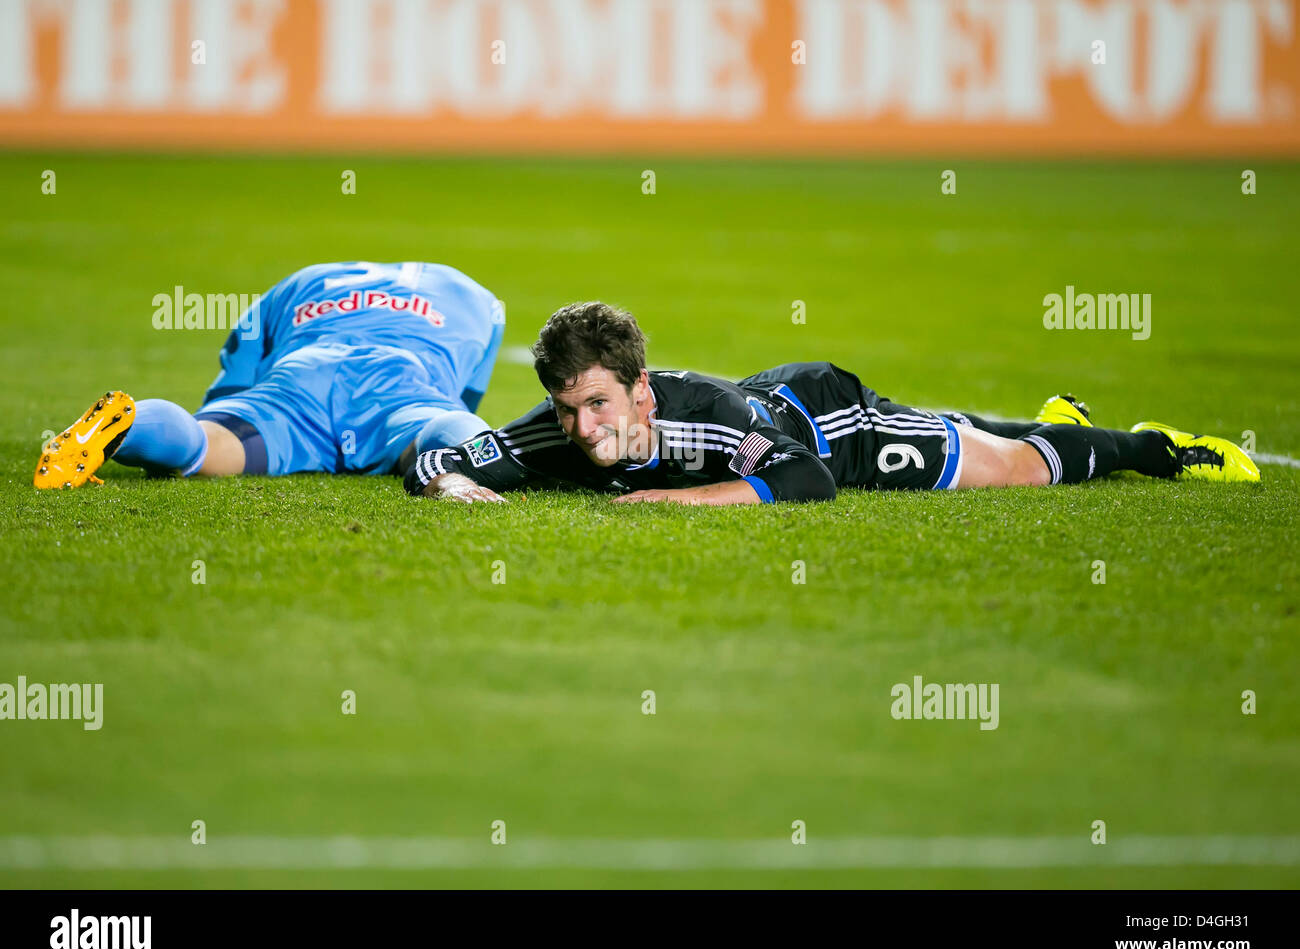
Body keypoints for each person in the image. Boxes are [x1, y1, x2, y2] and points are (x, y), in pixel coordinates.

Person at [404, 301, 1259, 505]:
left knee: (1015, 471)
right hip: (787, 419)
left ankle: (1154, 447)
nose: (585, 433)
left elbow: (808, 479)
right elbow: (434, 458)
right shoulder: (562, 433)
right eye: (565, 410)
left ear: (641, 391)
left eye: (598, 405)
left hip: (832, 422)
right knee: (982, 437)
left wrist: (671, 500)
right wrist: (456, 488)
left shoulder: (704, 415)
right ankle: (1057, 420)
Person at [35, 261, 505, 489]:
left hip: (299, 381)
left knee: (203, 442)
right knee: (444, 426)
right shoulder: (482, 301)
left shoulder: (303, 280)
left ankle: (127, 425)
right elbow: (462, 398)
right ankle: (458, 476)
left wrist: (221, 428)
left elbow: (236, 382)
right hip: (396, 387)